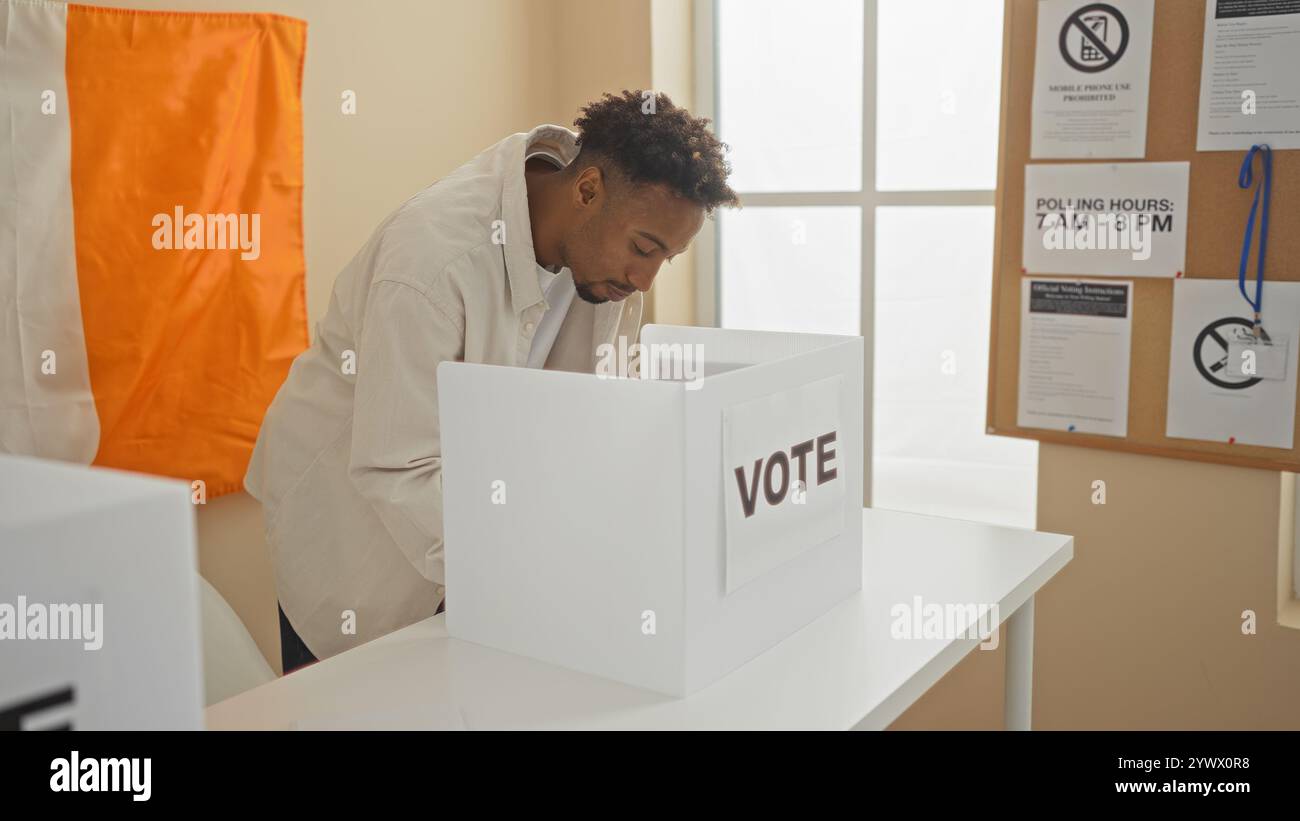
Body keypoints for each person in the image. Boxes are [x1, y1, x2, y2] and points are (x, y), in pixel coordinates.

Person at [245, 90, 739, 673]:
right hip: (350, 539)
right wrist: (528, 569)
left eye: (667, 258)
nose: (645, 278)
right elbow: (396, 466)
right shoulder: (433, 261)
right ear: (588, 190)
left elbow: (591, 414)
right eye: (644, 248)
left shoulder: (607, 268)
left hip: (475, 536)